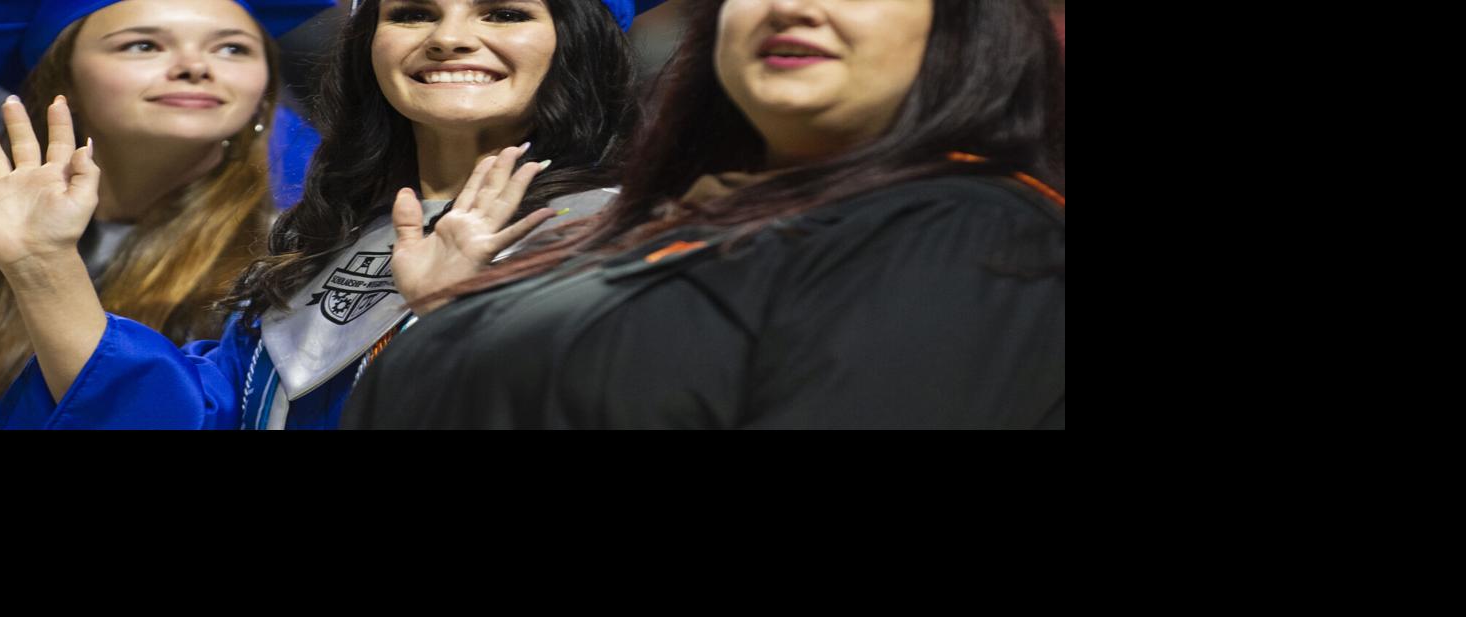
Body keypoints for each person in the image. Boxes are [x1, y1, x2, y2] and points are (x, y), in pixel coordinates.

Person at [343, 0, 1066, 430]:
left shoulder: (968, 232)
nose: (789, 7)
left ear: (965, 28)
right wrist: (443, 311)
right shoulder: (662, 227)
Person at [0, 0, 657, 430]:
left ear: (576, 41)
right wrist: (44, 266)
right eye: (411, 12)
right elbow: (186, 416)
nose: (449, 36)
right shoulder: (327, 244)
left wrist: (448, 326)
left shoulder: (618, 242)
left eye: (504, 12)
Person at [0, 0, 333, 429]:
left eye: (232, 48)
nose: (196, 66)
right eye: (144, 45)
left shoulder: (291, 267)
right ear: (62, 83)